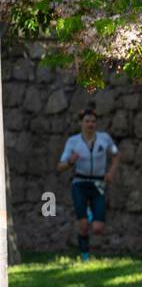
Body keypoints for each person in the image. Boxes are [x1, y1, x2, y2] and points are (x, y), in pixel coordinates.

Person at [56, 107, 120, 262]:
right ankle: (85, 257)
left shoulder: (105, 139)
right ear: (81, 123)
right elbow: (60, 166)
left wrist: (111, 172)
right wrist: (71, 161)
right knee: (83, 226)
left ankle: (91, 213)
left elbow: (116, 154)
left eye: (93, 121)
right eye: (87, 121)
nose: (90, 124)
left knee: (97, 228)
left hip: (98, 183)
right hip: (80, 183)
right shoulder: (73, 142)